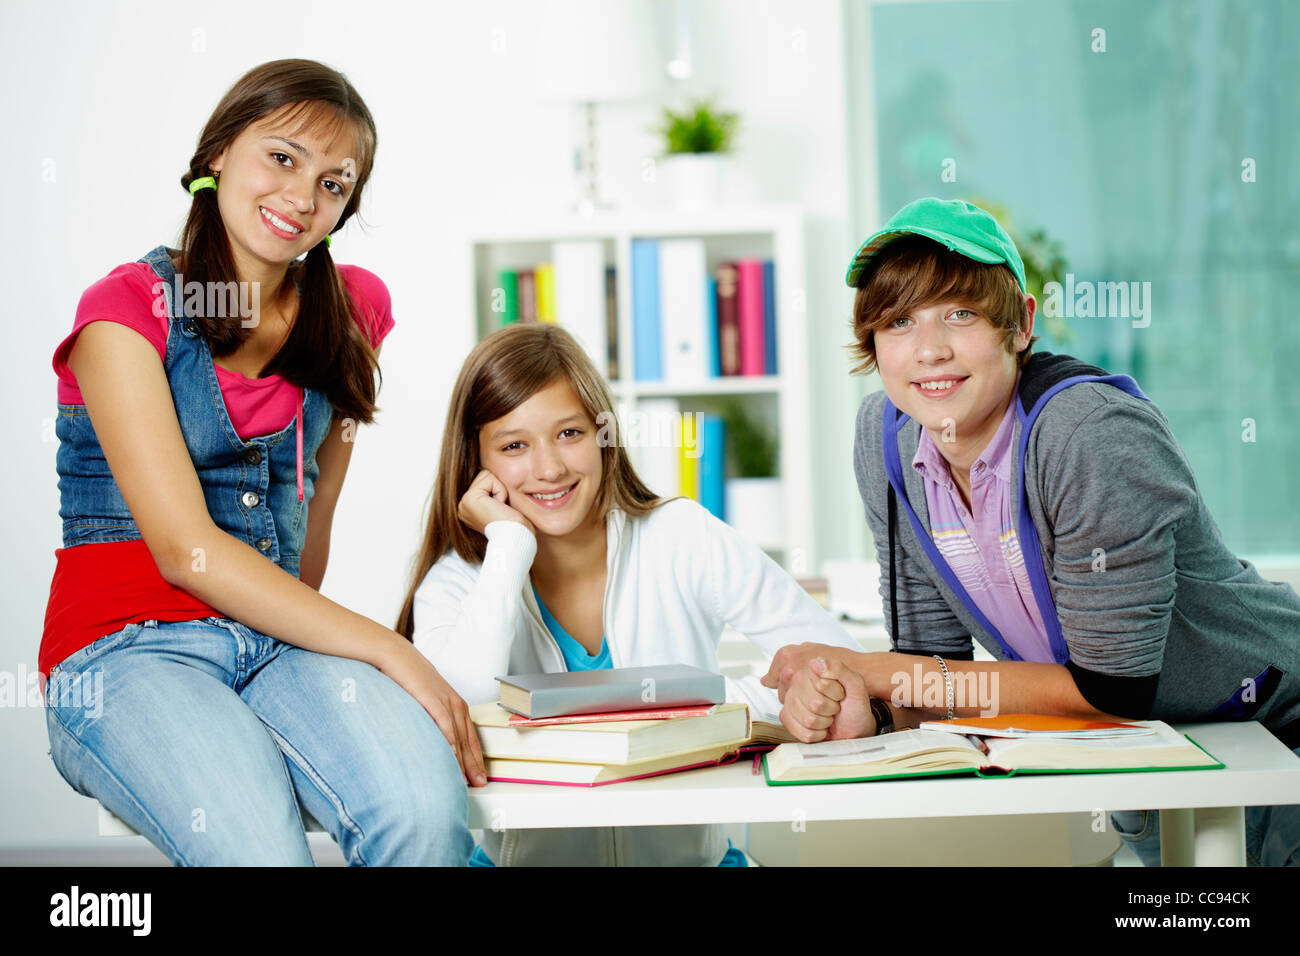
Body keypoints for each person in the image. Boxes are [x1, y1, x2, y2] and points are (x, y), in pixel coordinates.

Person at [763, 197, 1300, 866]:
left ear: (1019, 324)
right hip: (1160, 758)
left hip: (1273, 728)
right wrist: (860, 705)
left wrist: (878, 672)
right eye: (898, 321)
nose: (929, 349)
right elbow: (938, 676)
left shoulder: (1088, 434)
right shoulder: (887, 439)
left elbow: (1113, 689)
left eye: (960, 313)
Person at [40, 59, 480, 866]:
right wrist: (389, 648)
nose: (303, 199)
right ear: (218, 154)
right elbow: (186, 550)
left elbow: (310, 525)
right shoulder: (128, 311)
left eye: (334, 184)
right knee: (259, 853)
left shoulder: (352, 312)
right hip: (125, 653)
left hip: (276, 643)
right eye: (282, 157)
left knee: (422, 812)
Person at [395, 321, 863, 866]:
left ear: (602, 434)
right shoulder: (462, 578)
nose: (548, 468)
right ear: (477, 460)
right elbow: (459, 708)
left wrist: (695, 713)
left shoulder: (681, 535)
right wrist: (507, 546)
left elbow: (836, 661)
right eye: (514, 445)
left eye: (569, 434)